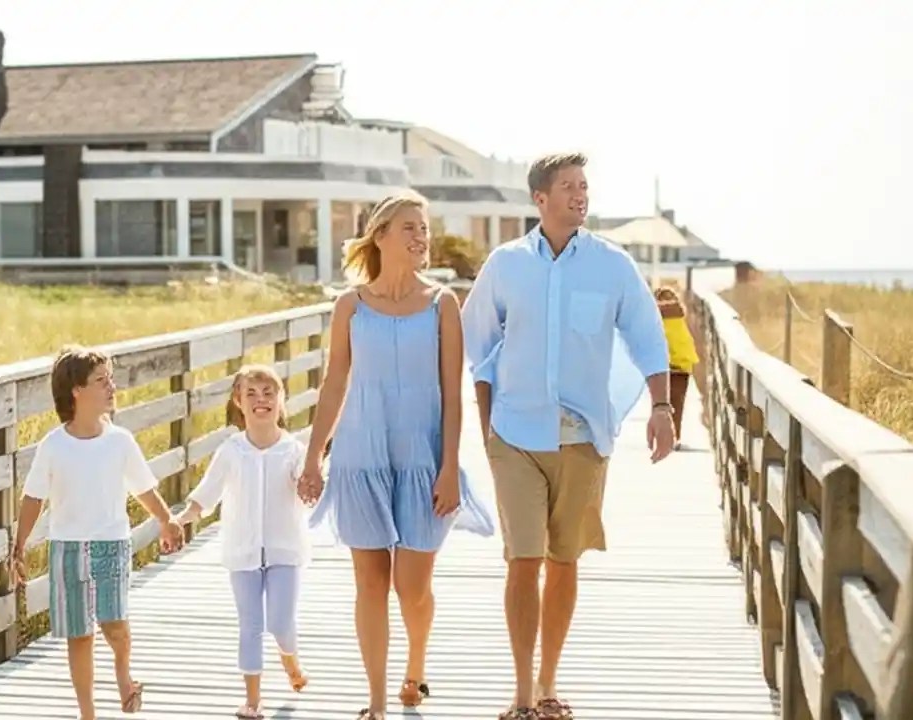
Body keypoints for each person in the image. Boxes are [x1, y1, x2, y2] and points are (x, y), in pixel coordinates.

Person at [461, 152, 675, 720]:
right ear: (540, 199)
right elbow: (477, 343)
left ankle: (549, 684)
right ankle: (522, 694)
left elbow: (649, 338)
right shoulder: (506, 264)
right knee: (522, 559)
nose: (580, 195)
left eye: (584, 185)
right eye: (568, 187)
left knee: (563, 559)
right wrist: (486, 426)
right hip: (515, 434)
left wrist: (662, 408)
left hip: (584, 437)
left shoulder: (613, 265)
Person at [297, 190, 496, 720]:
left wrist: (450, 466)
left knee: (412, 587)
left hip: (423, 461)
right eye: (409, 227)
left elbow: (452, 393)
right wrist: (314, 456)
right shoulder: (350, 306)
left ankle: (417, 664)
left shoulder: (442, 304)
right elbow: (334, 382)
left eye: (425, 228)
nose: (420, 237)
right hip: (361, 460)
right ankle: (377, 700)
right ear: (380, 234)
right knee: (369, 583)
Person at [9, 345, 185, 720]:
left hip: (110, 545)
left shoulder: (119, 440)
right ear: (76, 390)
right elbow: (33, 498)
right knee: (80, 634)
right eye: (101, 381)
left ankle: (123, 674)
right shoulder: (53, 446)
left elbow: (143, 488)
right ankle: (86, 712)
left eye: (110, 379)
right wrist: (19, 546)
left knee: (115, 625)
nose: (111, 386)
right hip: (67, 549)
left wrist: (166, 520)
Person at [173, 364, 312, 718]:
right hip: (242, 552)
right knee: (250, 624)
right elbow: (205, 497)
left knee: (280, 623)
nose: (260, 400)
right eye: (251, 394)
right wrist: (179, 520)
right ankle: (252, 700)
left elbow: (309, 487)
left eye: (268, 393)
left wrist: (312, 484)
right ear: (239, 402)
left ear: (281, 402)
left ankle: (290, 659)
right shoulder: (231, 450)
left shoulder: (294, 450)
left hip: (285, 550)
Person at [655, 285, 699, 448]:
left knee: (661, 405)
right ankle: (675, 438)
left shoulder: (653, 316)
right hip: (681, 365)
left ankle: (662, 438)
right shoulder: (680, 314)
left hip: (663, 366)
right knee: (678, 405)